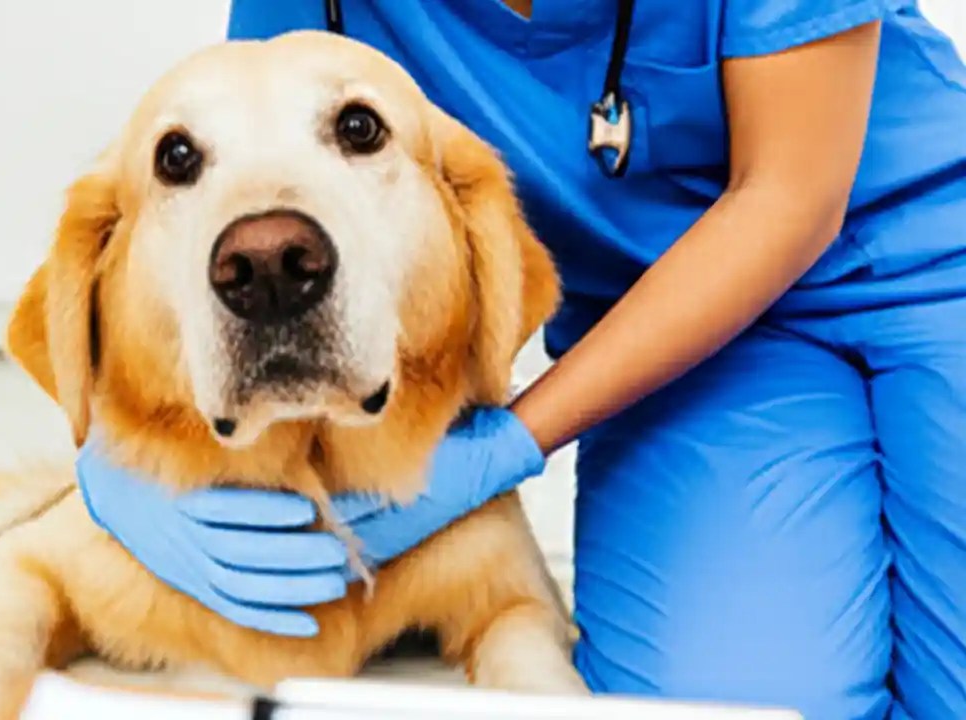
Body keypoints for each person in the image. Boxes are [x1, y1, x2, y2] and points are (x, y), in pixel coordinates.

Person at [76, 1, 966, 717]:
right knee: (740, 703)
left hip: (940, 265)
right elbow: (231, 214)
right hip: (702, 342)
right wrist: (108, 468)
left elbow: (789, 197)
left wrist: (509, 442)